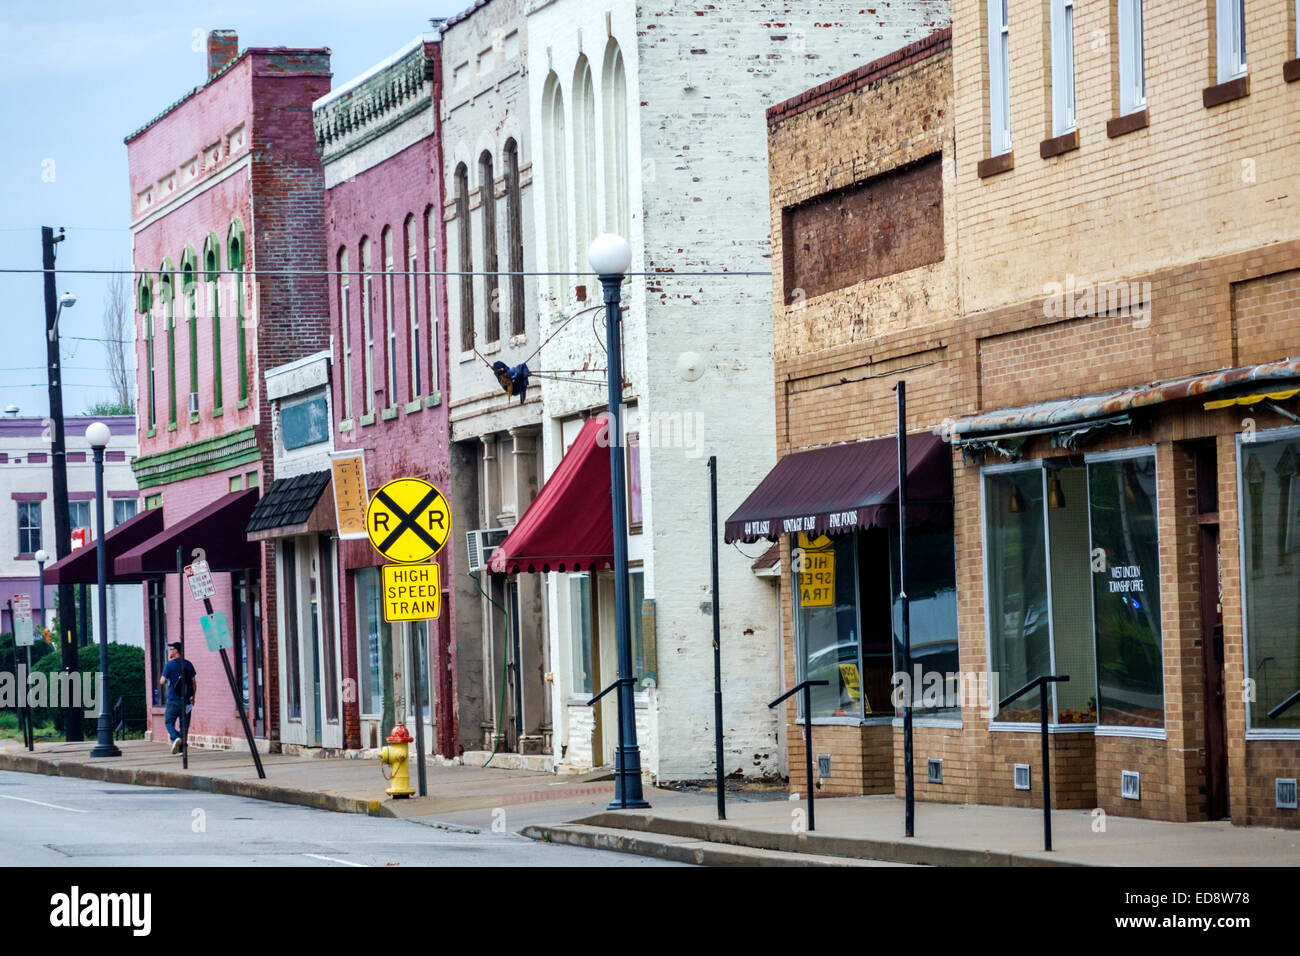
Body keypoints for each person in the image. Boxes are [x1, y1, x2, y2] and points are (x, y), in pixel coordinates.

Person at [160, 642, 197, 755]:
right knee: (184, 725)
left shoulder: (169, 665)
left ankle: (175, 737)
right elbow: (194, 683)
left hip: (173, 699)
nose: (170, 651)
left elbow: (161, 681)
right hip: (186, 700)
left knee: (168, 721)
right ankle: (182, 749)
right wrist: (193, 697)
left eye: (171, 649)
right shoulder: (188, 664)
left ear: (176, 650)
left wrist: (169, 680)